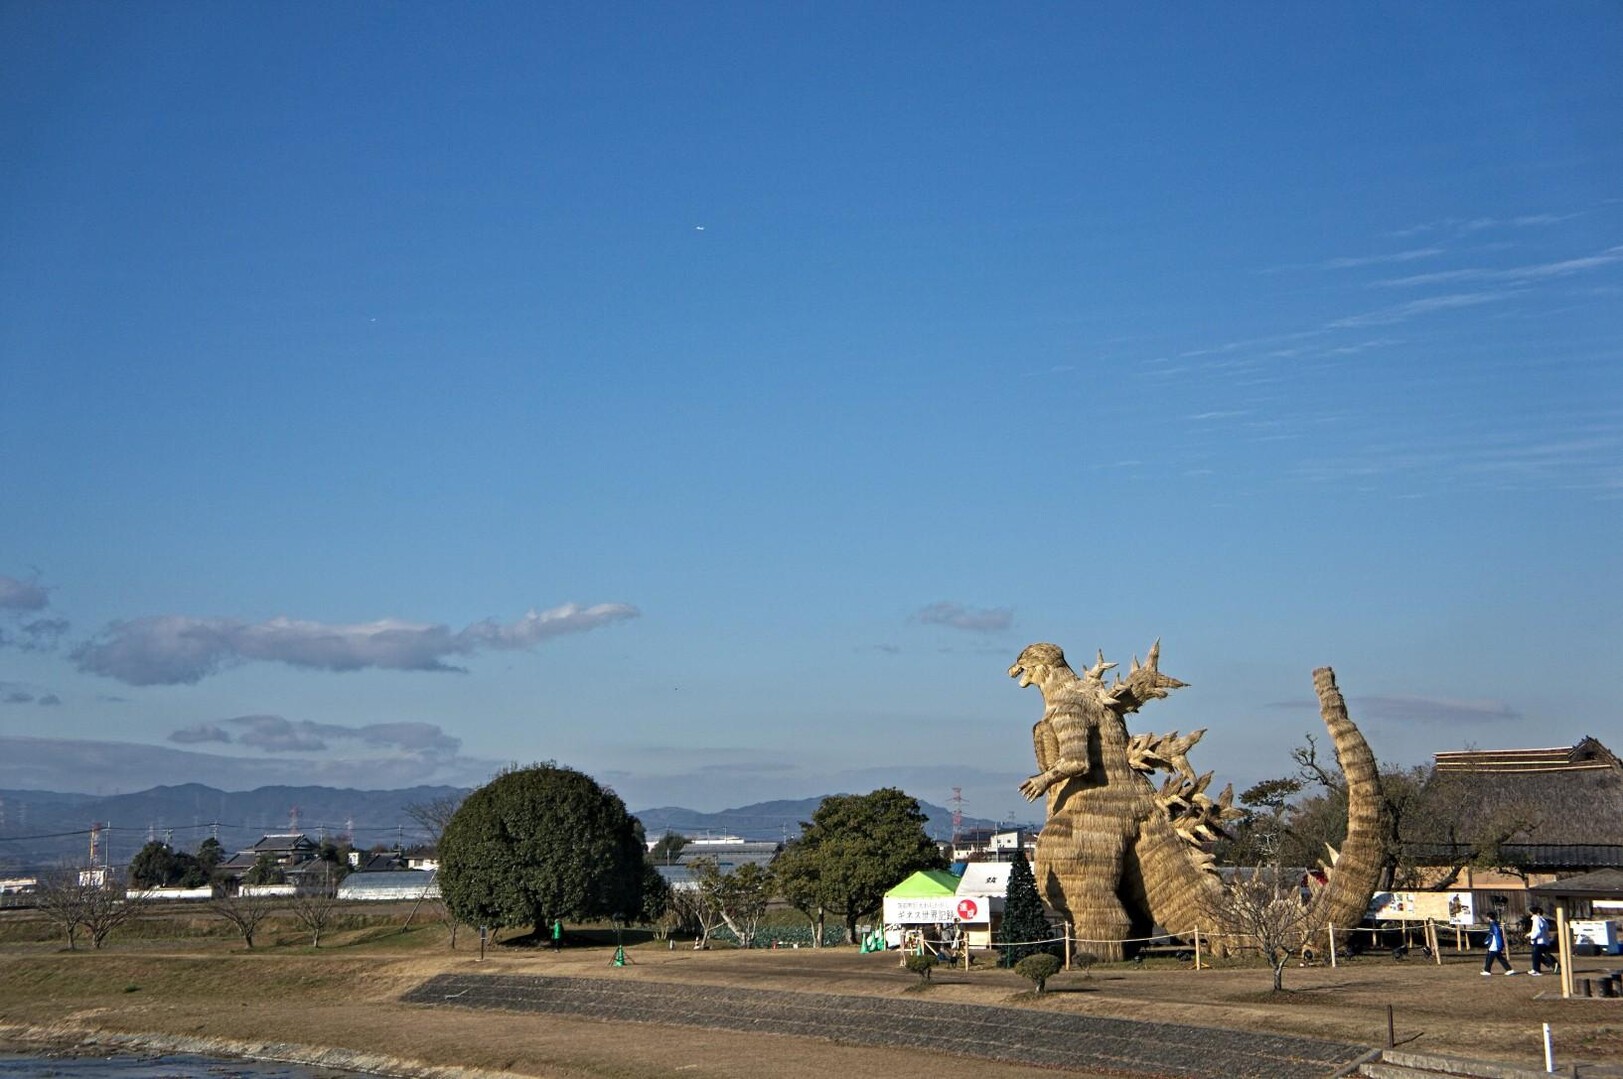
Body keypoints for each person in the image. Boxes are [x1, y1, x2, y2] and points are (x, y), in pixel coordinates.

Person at [1528, 906, 1555, 976]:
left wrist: (1532, 937)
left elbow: (1537, 931)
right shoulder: (1542, 920)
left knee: (1536, 955)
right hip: (1543, 940)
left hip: (1538, 941)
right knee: (1538, 955)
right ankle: (1535, 969)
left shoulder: (1536, 919)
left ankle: (1537, 970)